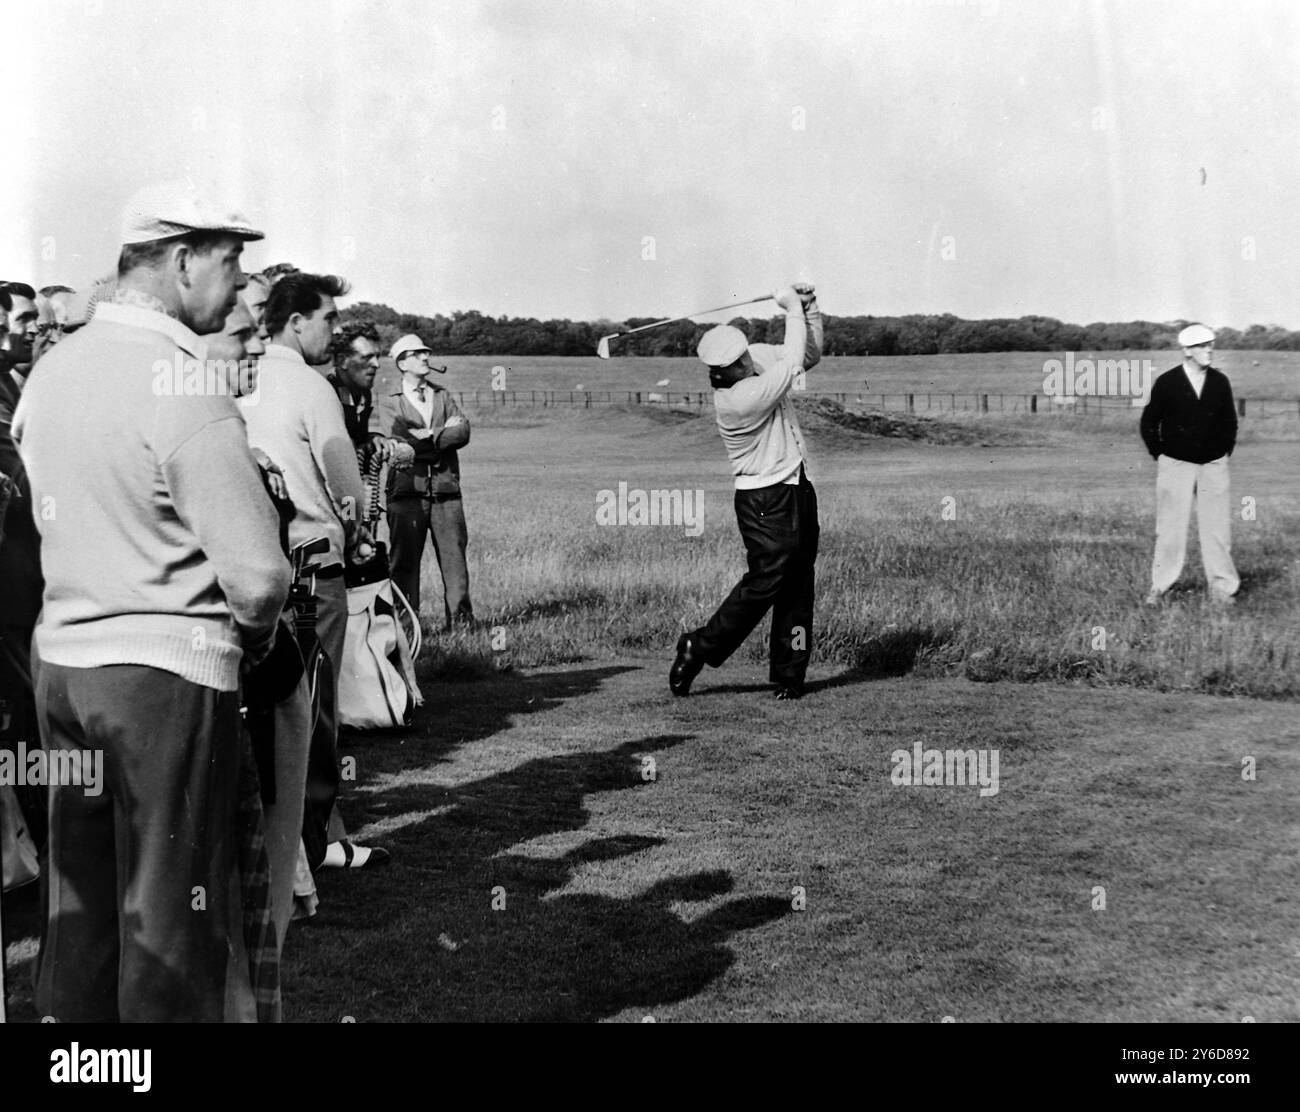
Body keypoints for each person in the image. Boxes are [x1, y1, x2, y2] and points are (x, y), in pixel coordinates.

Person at [13, 179, 290, 1021]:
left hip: (61, 668)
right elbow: (259, 577)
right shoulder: (183, 380)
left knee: (84, 907)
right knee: (174, 916)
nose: (243, 286)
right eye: (233, 265)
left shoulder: (52, 371)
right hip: (164, 676)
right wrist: (262, 640)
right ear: (180, 261)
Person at [238, 273, 388, 871]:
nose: (334, 328)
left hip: (254, 571)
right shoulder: (311, 387)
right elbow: (346, 486)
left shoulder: (237, 378)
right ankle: (313, 844)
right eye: (328, 317)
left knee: (268, 714)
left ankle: (298, 838)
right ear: (295, 321)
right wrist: (362, 535)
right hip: (312, 569)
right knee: (314, 713)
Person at [670, 283, 823, 700]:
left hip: (796, 486)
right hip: (764, 501)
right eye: (741, 362)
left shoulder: (749, 362)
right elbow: (791, 365)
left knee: (797, 585)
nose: (748, 362)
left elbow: (807, 355)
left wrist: (808, 309)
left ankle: (790, 677)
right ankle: (698, 646)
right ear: (726, 371)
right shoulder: (738, 399)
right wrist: (790, 307)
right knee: (765, 583)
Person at [371, 333, 473, 627]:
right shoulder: (390, 401)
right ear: (402, 363)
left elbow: (463, 432)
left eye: (426, 353)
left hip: (446, 491)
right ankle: (406, 630)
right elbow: (400, 442)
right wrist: (442, 434)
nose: (425, 358)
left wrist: (427, 438)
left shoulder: (443, 395)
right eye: (417, 354)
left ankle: (462, 626)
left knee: (456, 564)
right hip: (406, 493)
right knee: (403, 565)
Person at [1140, 323, 1240, 606]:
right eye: (1202, 345)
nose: (1209, 350)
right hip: (1175, 465)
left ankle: (1223, 590)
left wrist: (1222, 454)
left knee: (1217, 529)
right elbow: (1149, 423)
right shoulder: (1167, 382)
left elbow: (1229, 423)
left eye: (1211, 344)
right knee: (1170, 529)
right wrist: (1160, 454)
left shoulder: (1220, 382)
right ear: (1186, 350)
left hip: (1214, 466)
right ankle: (1161, 589)